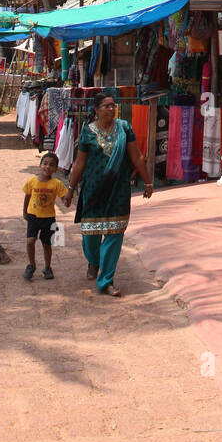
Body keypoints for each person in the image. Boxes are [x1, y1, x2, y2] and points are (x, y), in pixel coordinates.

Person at [65, 93, 153, 297]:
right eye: (106, 106)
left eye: (113, 106)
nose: (112, 109)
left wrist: (147, 181)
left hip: (118, 190)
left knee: (115, 234)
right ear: (96, 109)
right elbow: (79, 163)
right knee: (90, 235)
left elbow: (137, 157)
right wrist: (70, 189)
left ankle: (106, 280)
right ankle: (94, 261)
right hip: (93, 190)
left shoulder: (124, 128)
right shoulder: (87, 132)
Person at [22, 151, 69, 281]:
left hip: (48, 218)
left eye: (51, 165)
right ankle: (31, 265)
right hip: (33, 216)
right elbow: (27, 196)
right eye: (45, 163)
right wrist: (24, 211)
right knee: (30, 241)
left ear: (55, 169)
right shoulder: (32, 181)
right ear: (40, 165)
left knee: (47, 244)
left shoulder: (57, 184)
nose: (47, 167)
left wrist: (67, 199)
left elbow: (65, 197)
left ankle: (47, 267)